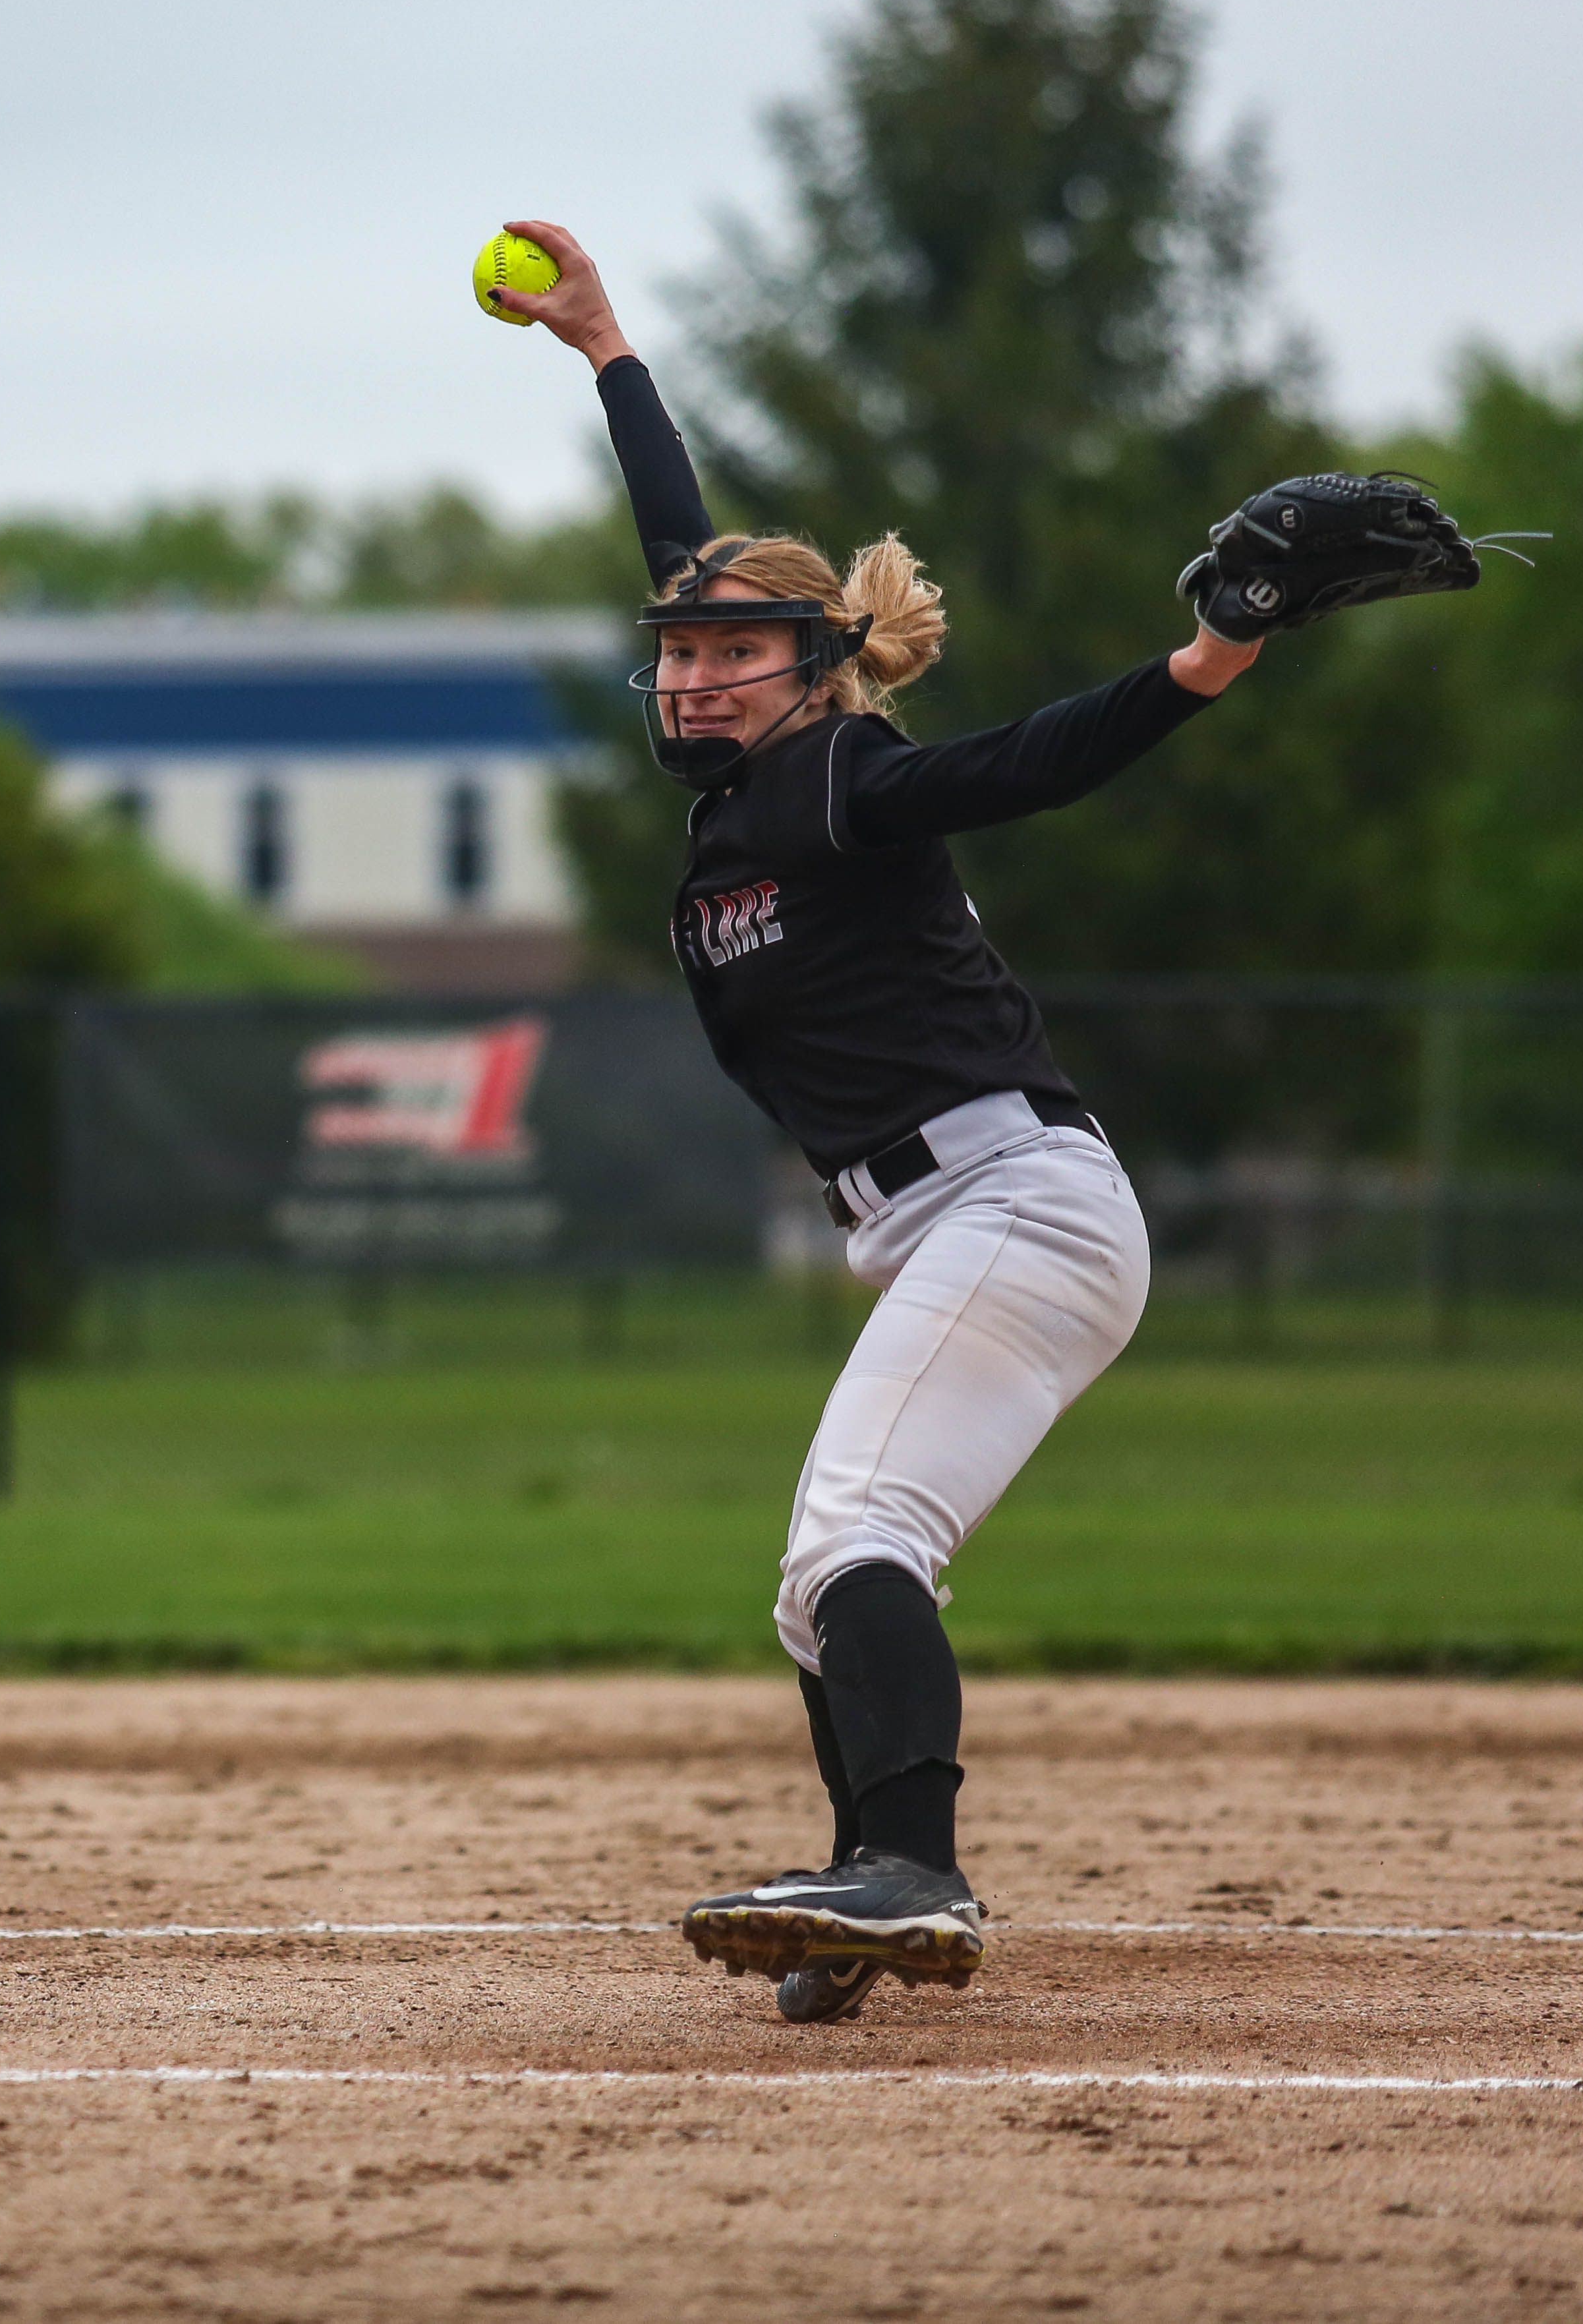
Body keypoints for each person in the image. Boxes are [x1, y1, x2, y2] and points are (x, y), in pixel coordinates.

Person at [490, 219, 1263, 2024]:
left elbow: (1021, 766)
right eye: (680, 650)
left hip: (1016, 1200)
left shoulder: (837, 772)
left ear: (816, 668)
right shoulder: (759, 782)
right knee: (818, 1585)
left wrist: (1209, 658)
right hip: (959, 1217)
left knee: (858, 1534)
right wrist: (606, 348)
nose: (695, 672)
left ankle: (911, 1868)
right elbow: (678, 534)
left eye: (734, 652)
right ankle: (868, 1899)